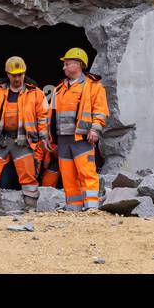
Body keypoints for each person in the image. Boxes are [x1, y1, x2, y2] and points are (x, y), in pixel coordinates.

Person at [0, 56, 50, 212]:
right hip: (1, 138)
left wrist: (44, 138)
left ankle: (30, 208)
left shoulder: (36, 93)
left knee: (28, 173)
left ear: (24, 73)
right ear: (8, 74)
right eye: (14, 75)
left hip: (24, 140)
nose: (17, 78)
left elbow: (43, 117)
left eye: (20, 75)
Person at [51, 47, 108, 211]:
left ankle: (91, 208)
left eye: (67, 64)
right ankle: (73, 208)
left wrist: (95, 130)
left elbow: (100, 111)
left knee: (87, 172)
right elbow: (51, 115)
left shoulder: (93, 86)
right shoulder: (60, 88)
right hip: (63, 140)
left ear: (78, 65)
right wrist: (50, 136)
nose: (64, 67)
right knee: (68, 176)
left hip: (82, 139)